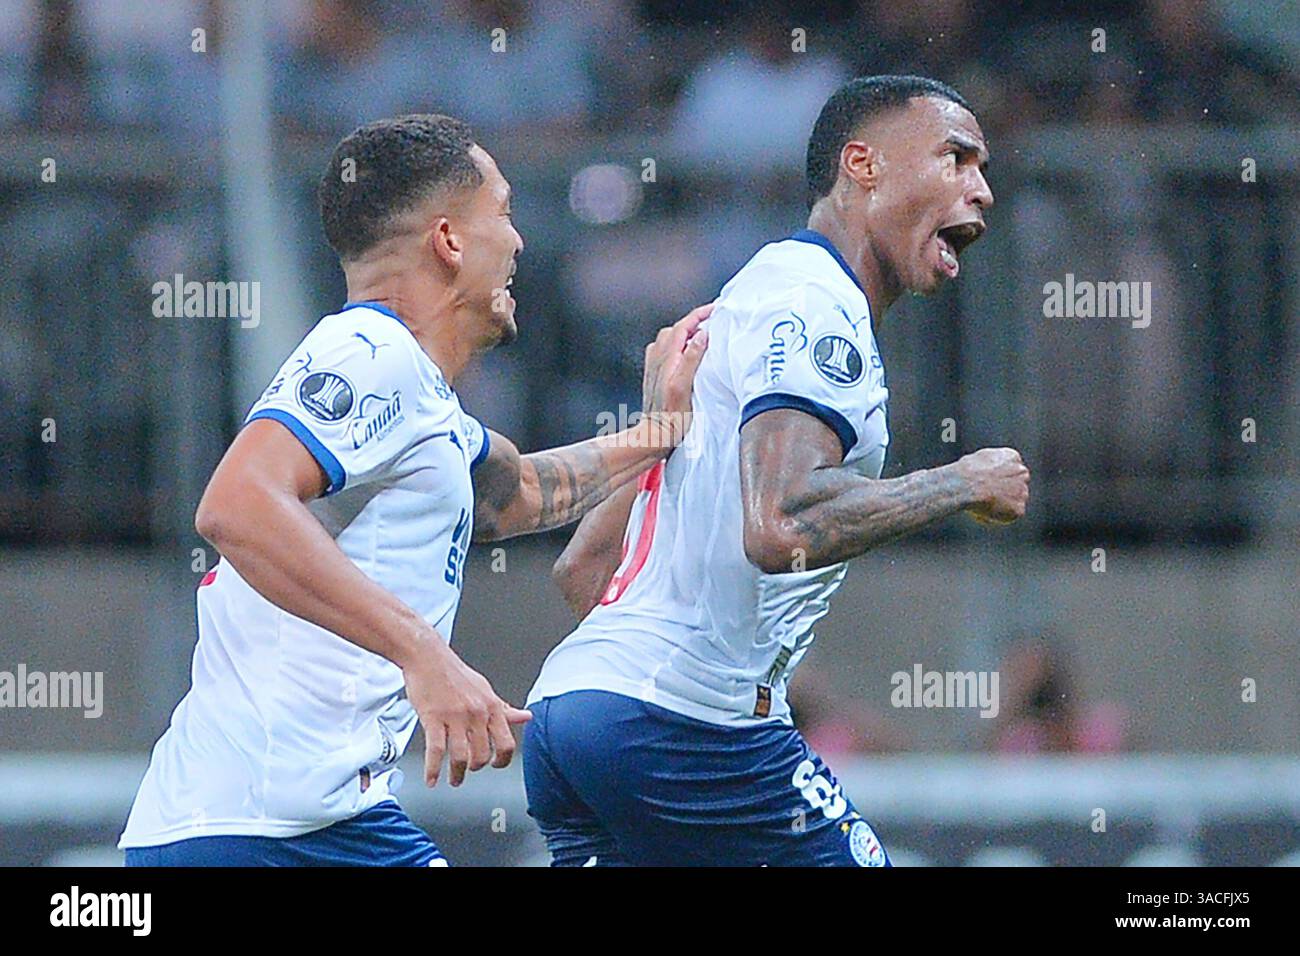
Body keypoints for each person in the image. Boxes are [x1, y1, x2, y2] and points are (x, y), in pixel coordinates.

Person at [119, 114, 709, 866]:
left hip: (304, 822)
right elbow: (234, 506)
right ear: (449, 241)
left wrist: (658, 432)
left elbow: (518, 491)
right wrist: (422, 653)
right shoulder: (369, 354)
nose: (519, 241)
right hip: (259, 829)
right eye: (501, 212)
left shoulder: (418, 400)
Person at [523, 75, 1030, 866]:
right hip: (685, 727)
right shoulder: (813, 305)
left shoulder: (748, 306)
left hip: (574, 713)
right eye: (957, 158)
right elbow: (781, 525)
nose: (982, 191)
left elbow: (581, 571)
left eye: (984, 169)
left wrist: (661, 427)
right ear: (862, 165)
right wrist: (961, 483)